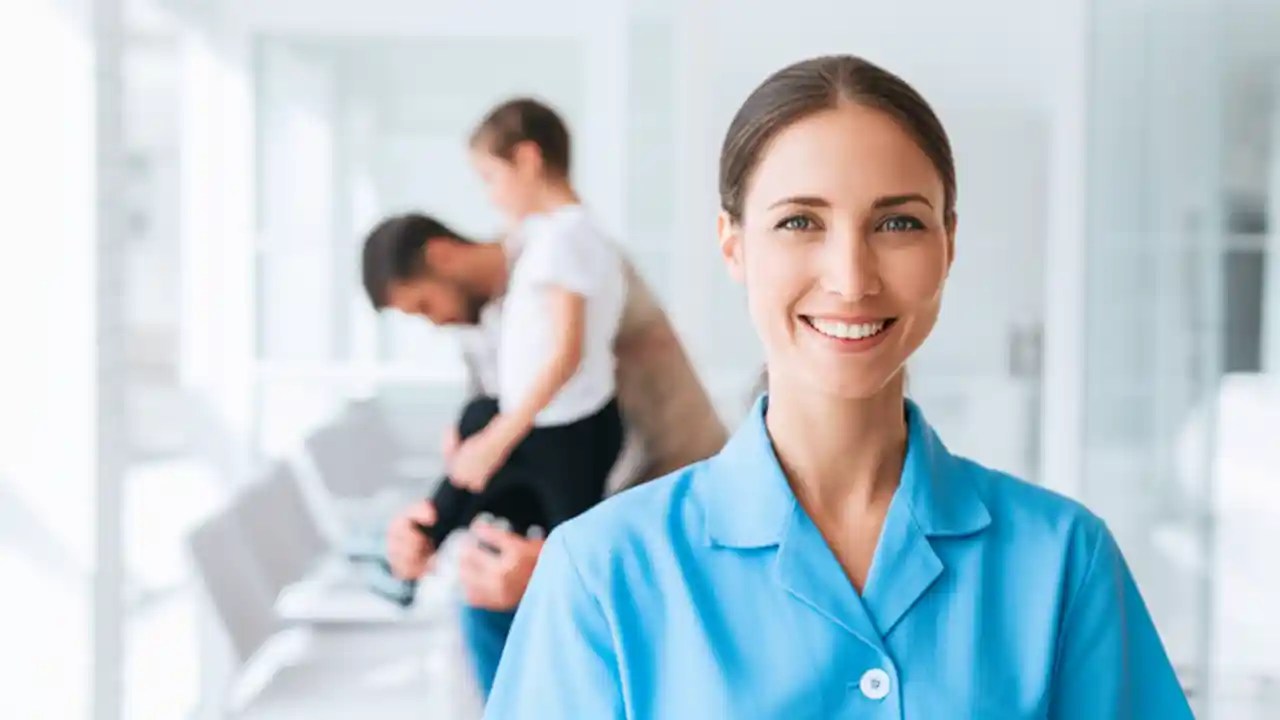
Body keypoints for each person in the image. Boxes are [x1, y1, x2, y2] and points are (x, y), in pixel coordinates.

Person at [483, 56, 1195, 719]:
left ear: (947, 244)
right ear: (733, 244)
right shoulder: (603, 574)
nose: (852, 279)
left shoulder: (1063, 561)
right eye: (799, 222)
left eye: (897, 222)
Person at [363, 103, 727, 698]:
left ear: (442, 258)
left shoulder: (568, 257)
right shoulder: (492, 323)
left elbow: (640, 436)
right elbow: (495, 436)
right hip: (579, 507)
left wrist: (558, 563)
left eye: (425, 307)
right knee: (481, 590)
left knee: (507, 606)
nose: (433, 324)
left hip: (660, 504)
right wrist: (432, 515)